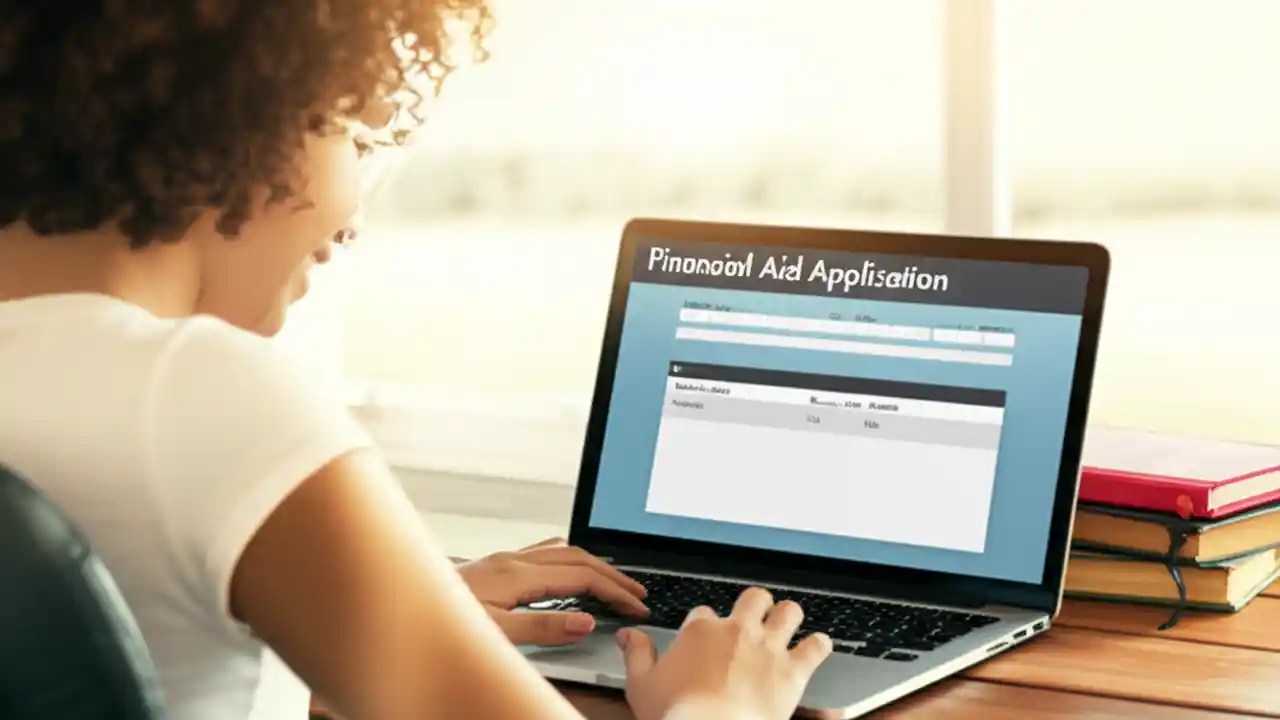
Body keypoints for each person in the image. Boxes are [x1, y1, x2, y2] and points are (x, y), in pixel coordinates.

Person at [0, 2, 833, 720]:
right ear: (246, 118)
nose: (354, 209)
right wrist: (721, 703)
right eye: (352, 130)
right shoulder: (198, 393)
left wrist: (396, 613)